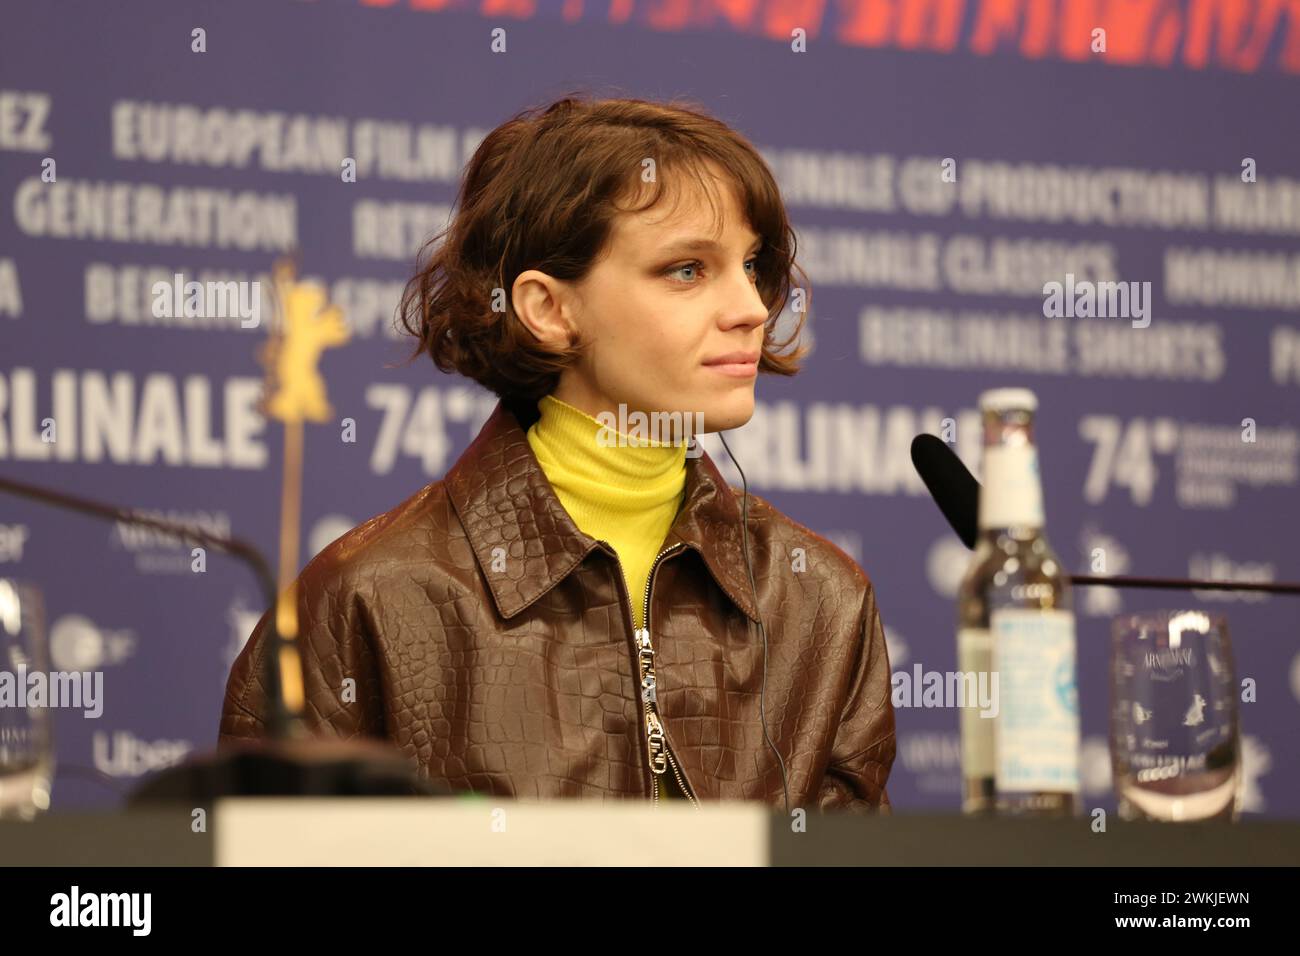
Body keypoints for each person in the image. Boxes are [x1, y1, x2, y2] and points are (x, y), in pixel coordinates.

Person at [219, 93, 895, 811]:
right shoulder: (368, 599)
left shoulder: (821, 599)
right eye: (688, 270)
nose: (754, 308)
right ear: (546, 309)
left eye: (752, 265)